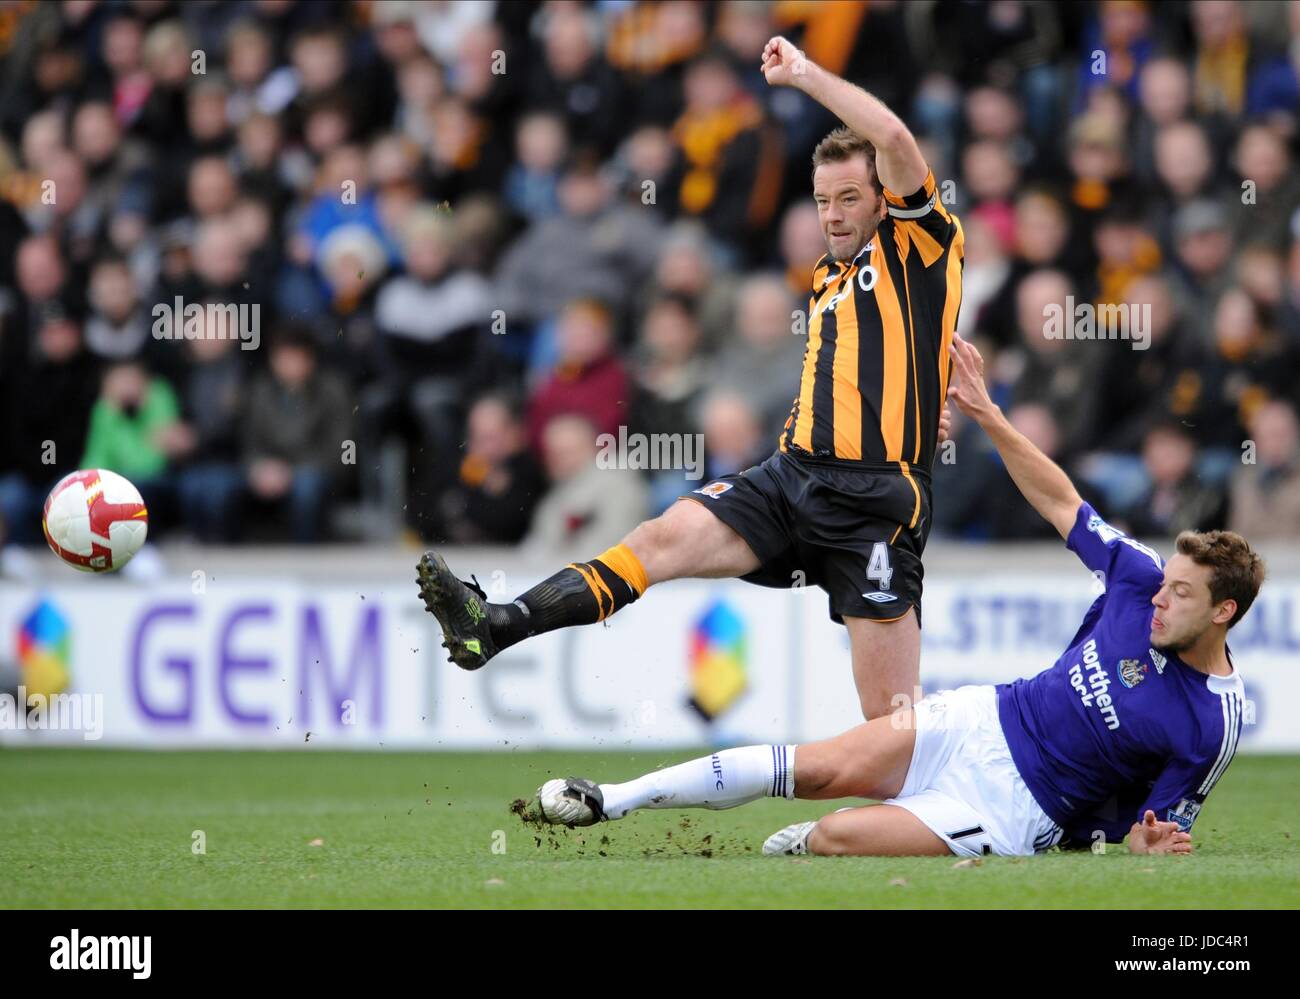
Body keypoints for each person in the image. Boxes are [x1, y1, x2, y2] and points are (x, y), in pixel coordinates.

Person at [532, 335, 1258, 859]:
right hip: (982, 716)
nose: (1160, 599)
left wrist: (1148, 847)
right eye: (1165, 583)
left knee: (838, 833)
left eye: (1181, 594)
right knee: (816, 766)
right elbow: (1060, 500)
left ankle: (816, 848)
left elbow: (1152, 831)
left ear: (1223, 611)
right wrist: (986, 413)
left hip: (1015, 808)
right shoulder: (1137, 573)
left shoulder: (1210, 724)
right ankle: (612, 796)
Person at [417, 34, 961, 721]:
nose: (833, 215)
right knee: (657, 538)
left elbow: (890, 132)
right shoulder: (827, 277)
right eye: (824, 200)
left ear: (887, 199)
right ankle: (501, 622)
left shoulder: (921, 242)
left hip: (875, 504)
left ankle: (941, 811)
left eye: (850, 197)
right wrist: (923, 401)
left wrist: (802, 76)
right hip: (791, 476)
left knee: (889, 730)